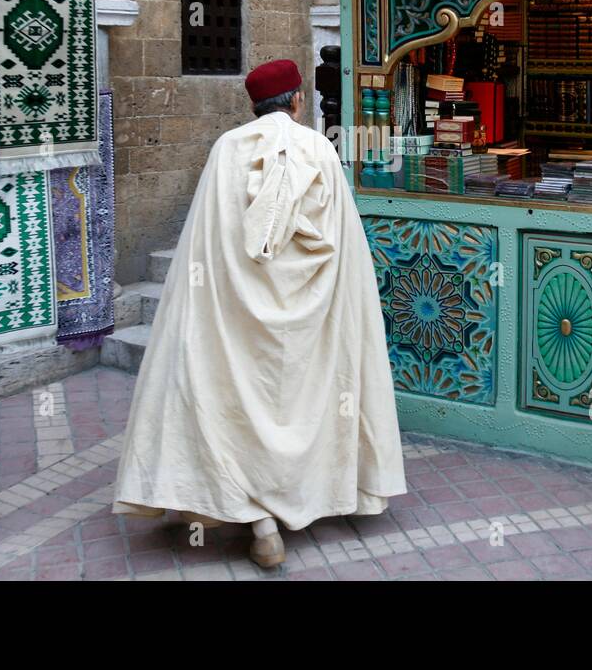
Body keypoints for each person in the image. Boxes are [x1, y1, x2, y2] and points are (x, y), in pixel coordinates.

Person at [112, 59, 406, 567]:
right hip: (310, 311)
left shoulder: (228, 150)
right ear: (297, 100)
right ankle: (301, 499)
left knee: (233, 393)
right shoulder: (319, 148)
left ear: (254, 105)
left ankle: (255, 515)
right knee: (305, 396)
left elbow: (206, 243)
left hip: (238, 313)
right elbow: (345, 247)